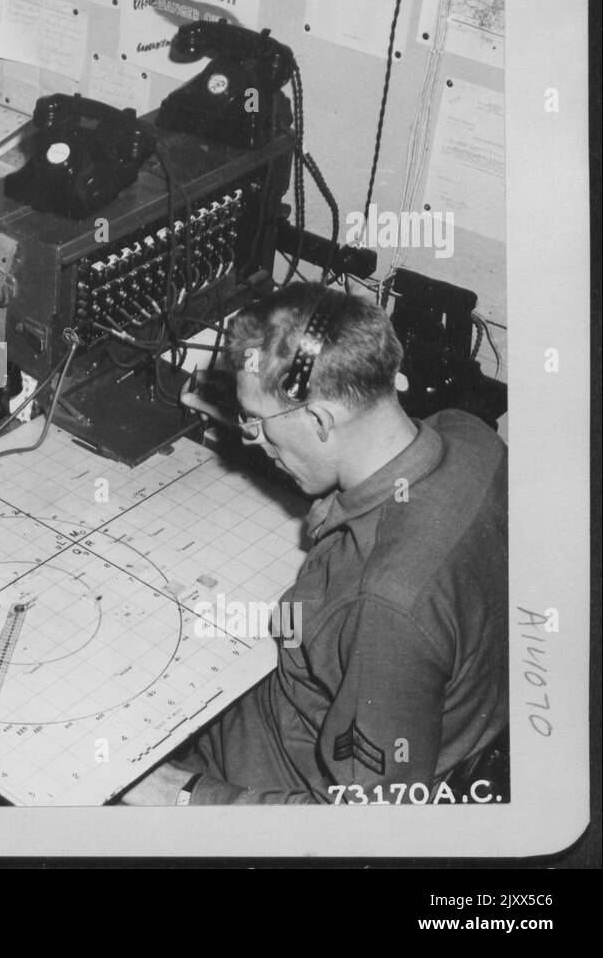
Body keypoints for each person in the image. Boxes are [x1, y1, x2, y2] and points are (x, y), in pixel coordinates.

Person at [122, 282, 508, 805]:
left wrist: (184, 795)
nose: (252, 440)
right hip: (407, 714)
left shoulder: (383, 604)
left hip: (303, 770)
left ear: (323, 419)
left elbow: (372, 823)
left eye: (257, 424)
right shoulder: (469, 435)